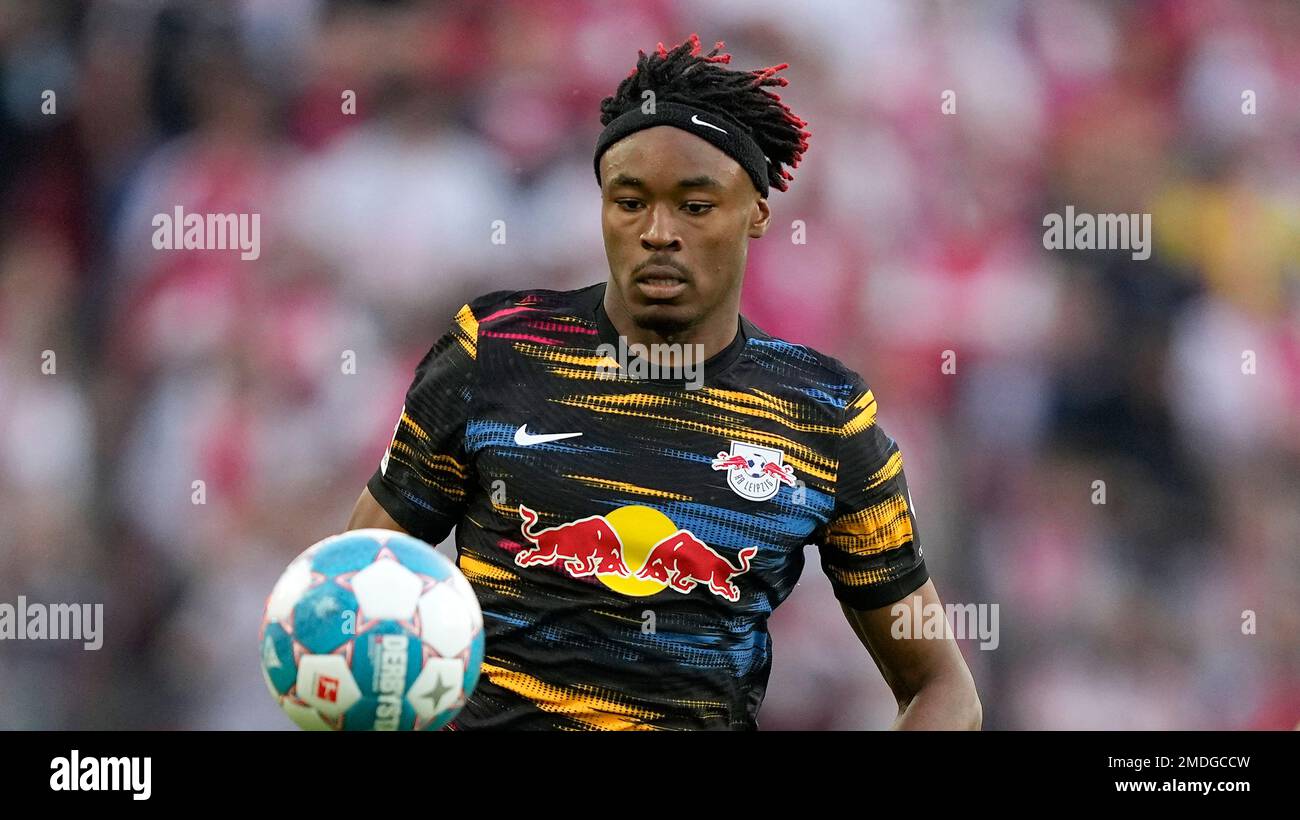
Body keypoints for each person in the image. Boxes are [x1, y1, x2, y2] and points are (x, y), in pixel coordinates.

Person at [348, 34, 980, 730]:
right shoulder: (496, 350)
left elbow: (941, 688)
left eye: (695, 206)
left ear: (758, 214)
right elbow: (356, 587)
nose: (657, 232)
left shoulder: (822, 416)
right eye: (629, 202)